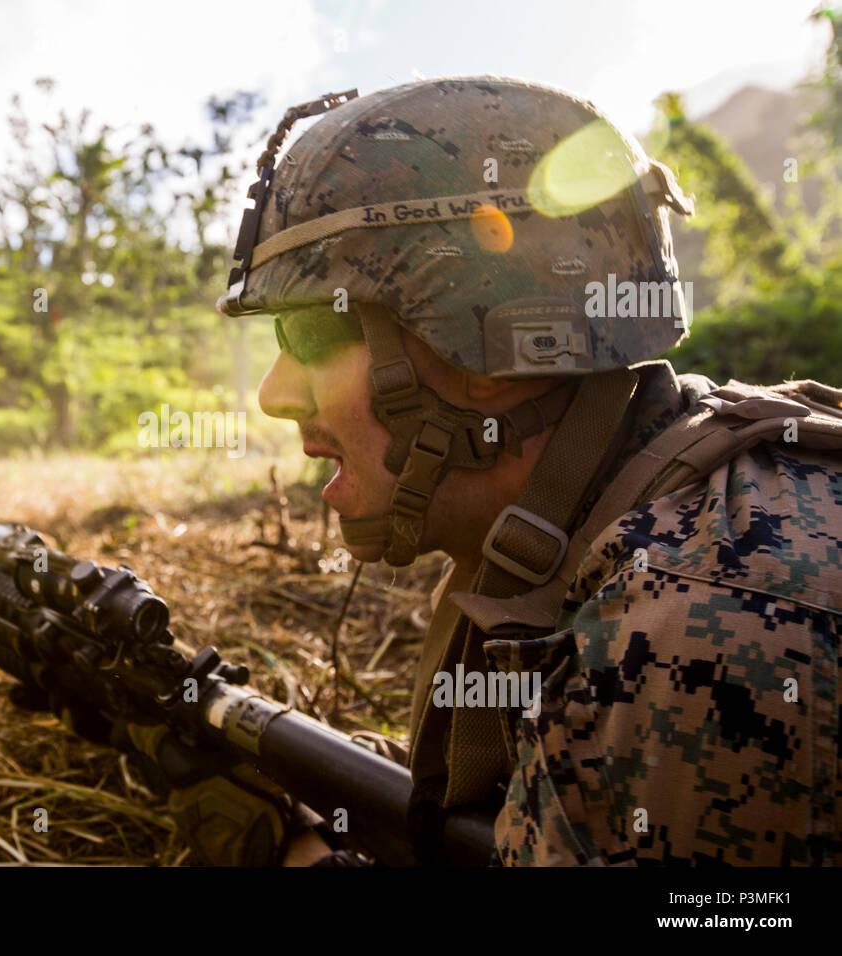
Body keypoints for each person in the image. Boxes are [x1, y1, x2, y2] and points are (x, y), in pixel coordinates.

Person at [199, 76, 842, 866]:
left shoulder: (695, 632)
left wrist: (292, 853)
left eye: (309, 333)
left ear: (484, 354)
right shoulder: (568, 534)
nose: (272, 395)